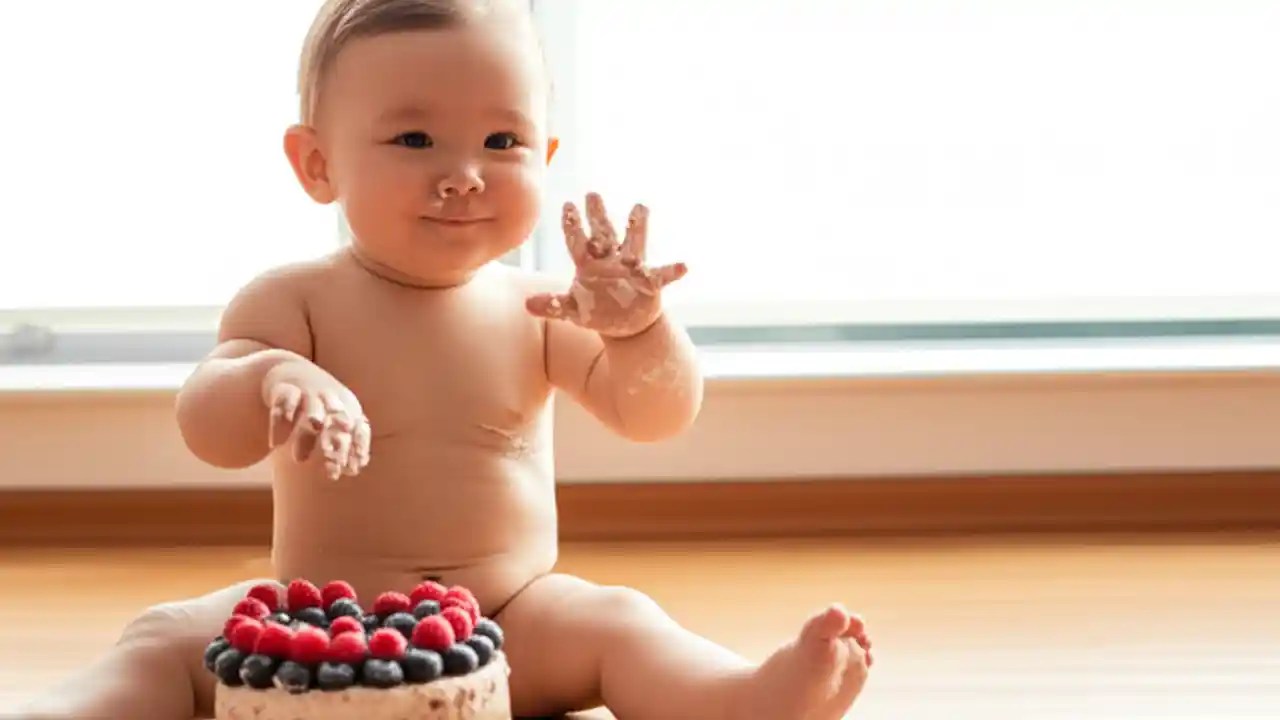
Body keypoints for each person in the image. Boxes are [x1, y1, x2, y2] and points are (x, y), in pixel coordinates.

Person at [14, 1, 871, 718]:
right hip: (313, 632)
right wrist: (276, 378)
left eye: (502, 142)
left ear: (546, 157)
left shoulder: (537, 309)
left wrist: (639, 332)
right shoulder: (293, 302)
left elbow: (654, 414)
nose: (464, 175)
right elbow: (209, 426)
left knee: (618, 622)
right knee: (166, 638)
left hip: (508, 627)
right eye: (415, 140)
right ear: (318, 164)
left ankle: (740, 697)